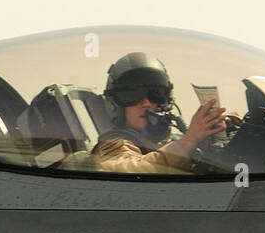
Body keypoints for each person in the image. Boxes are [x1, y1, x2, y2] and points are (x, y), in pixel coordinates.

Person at [87, 51, 231, 174]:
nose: (147, 103)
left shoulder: (174, 138)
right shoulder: (113, 143)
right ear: (116, 104)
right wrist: (188, 142)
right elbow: (127, 171)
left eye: (156, 94)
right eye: (132, 94)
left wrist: (214, 133)